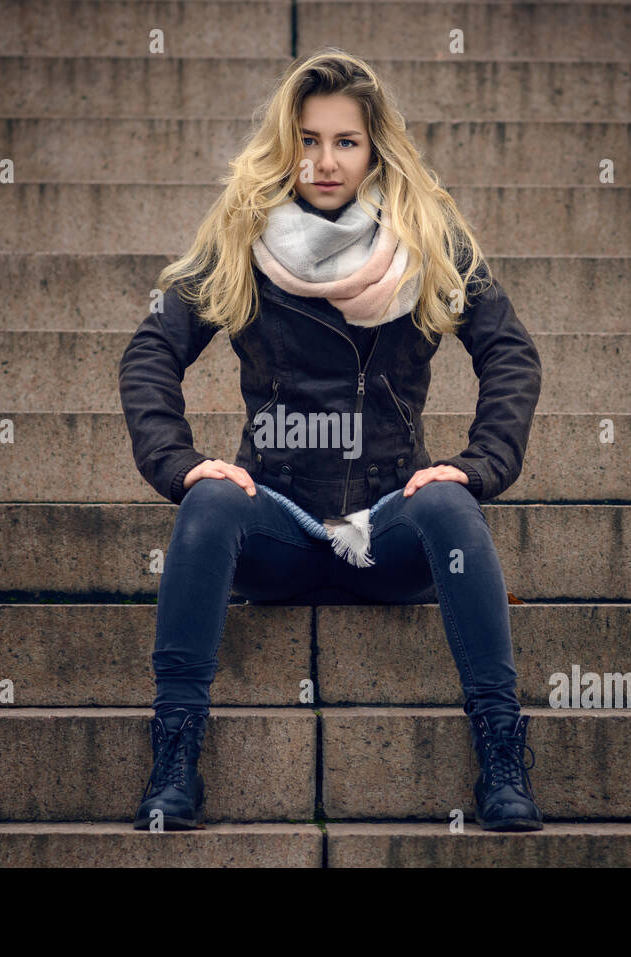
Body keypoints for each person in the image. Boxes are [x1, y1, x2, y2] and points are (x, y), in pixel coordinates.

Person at [118, 49, 544, 832]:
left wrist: (476, 466)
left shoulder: (427, 237)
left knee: (451, 506)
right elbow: (151, 350)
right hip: (278, 526)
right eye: (308, 140)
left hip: (385, 528)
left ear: (374, 146)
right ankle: (174, 758)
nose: (324, 160)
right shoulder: (244, 234)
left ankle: (502, 756)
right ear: (287, 143)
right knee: (210, 503)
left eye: (345, 141)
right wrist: (180, 466)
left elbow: (510, 351)